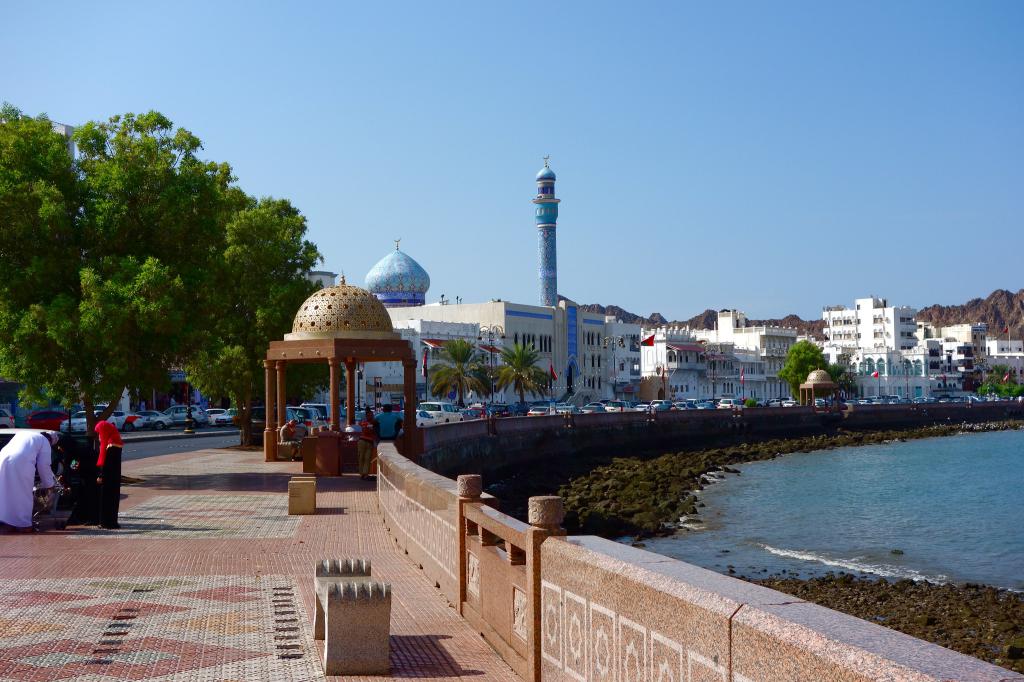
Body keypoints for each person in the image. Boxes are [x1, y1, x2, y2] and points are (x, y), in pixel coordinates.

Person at [0, 432, 57, 532]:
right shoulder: (45, 441)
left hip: (2, 459)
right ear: (50, 440)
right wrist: (49, 485)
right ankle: (24, 525)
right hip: (20, 462)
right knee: (23, 494)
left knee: (5, 492)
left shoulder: (24, 434)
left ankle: (8, 522)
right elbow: (44, 465)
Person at [95, 420, 123, 530]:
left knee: (106, 500)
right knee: (113, 500)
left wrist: (101, 475)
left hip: (107, 478)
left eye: (99, 433)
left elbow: (106, 464)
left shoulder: (110, 446)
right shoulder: (116, 442)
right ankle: (112, 521)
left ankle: (105, 523)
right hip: (114, 477)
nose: (99, 436)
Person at [357, 408, 376, 480]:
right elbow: (367, 430)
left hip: (369, 442)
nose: (371, 416)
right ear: (367, 416)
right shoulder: (364, 422)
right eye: (370, 415)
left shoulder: (373, 423)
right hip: (362, 441)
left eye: (372, 415)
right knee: (361, 458)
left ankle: (365, 474)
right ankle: (362, 474)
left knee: (367, 459)